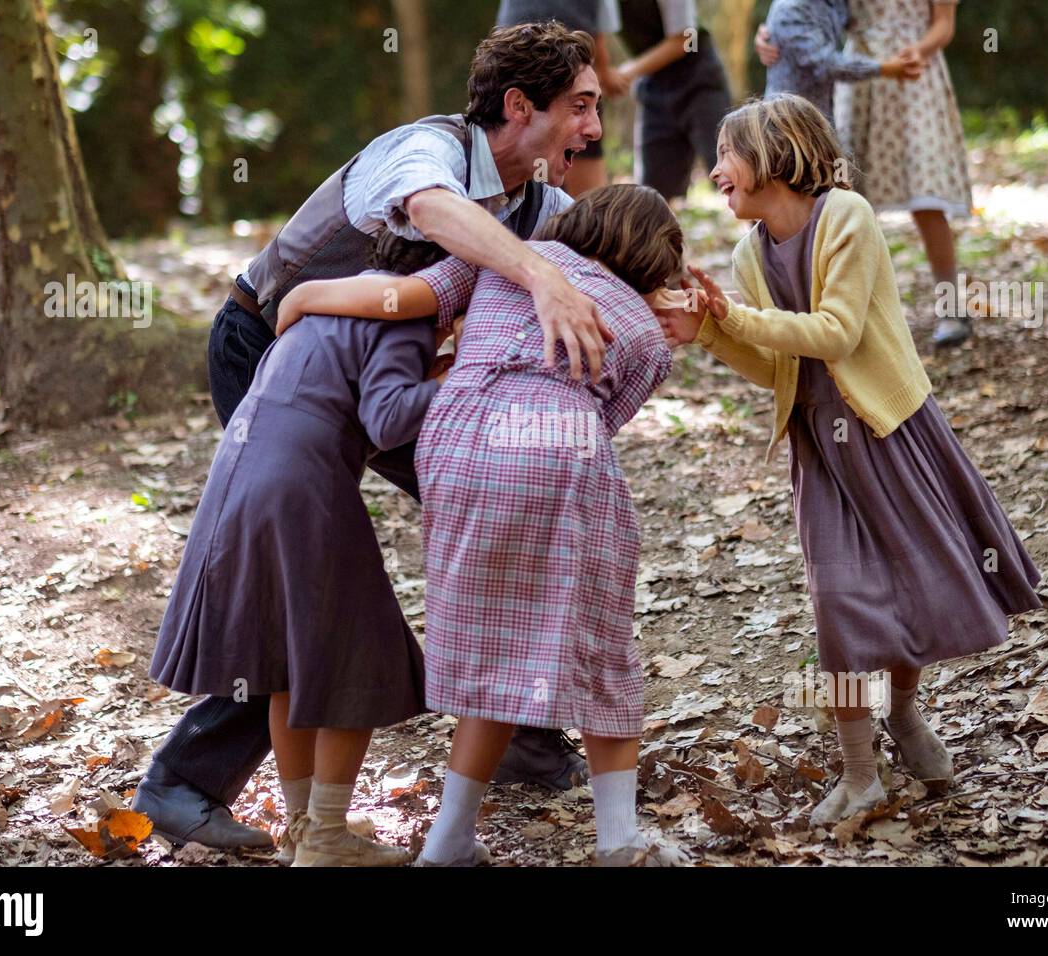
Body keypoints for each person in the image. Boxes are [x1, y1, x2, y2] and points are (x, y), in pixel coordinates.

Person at [133, 22, 606, 850]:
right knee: (296, 579)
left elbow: (603, 245)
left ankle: (517, 729)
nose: (594, 128)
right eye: (580, 106)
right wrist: (539, 280)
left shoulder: (537, 197)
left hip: (383, 373)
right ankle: (184, 781)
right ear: (520, 106)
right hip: (270, 355)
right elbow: (434, 213)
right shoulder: (422, 152)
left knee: (499, 504)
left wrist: (676, 285)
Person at [275, 185, 689, 865]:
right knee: (600, 644)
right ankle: (619, 840)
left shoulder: (502, 258)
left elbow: (403, 297)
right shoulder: (645, 336)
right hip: (558, 443)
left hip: (456, 441)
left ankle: (450, 838)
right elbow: (603, 423)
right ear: (652, 263)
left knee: (494, 637)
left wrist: (300, 297)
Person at [658, 95, 1041, 825]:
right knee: (840, 606)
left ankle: (903, 713)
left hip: (887, 430)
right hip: (820, 445)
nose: (714, 172)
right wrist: (706, 328)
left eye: (725, 155)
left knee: (914, 589)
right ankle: (861, 775)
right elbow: (777, 360)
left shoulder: (847, 219)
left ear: (773, 153)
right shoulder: (749, 253)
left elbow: (833, 333)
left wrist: (729, 314)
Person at [149, 231, 451, 865]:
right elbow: (391, 418)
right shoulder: (410, 314)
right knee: (357, 654)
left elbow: (348, 394)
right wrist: (467, 379)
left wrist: (431, 372)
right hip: (299, 482)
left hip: (241, 467)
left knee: (287, 656)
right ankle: (328, 837)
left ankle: (303, 827)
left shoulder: (337, 302)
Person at [757, 1, 975, 348]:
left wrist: (912, 53)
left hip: (912, 78)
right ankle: (847, 312)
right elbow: (815, 11)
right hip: (856, 79)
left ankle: (951, 307)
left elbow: (944, 24)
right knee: (847, 198)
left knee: (926, 194)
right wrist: (771, 31)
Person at [496, 1, 629, 196]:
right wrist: (605, 73)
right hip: (561, 76)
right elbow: (597, 37)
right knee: (587, 200)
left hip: (511, 73)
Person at [615, 0, 732, 201]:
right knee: (651, 195)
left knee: (735, 170)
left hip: (700, 79)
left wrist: (627, 73)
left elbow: (685, 39)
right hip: (654, 84)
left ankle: (767, 231)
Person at [763, 0, 922, 123]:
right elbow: (827, 65)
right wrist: (884, 68)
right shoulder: (792, 9)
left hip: (821, 113)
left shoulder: (834, 3)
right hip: (786, 117)